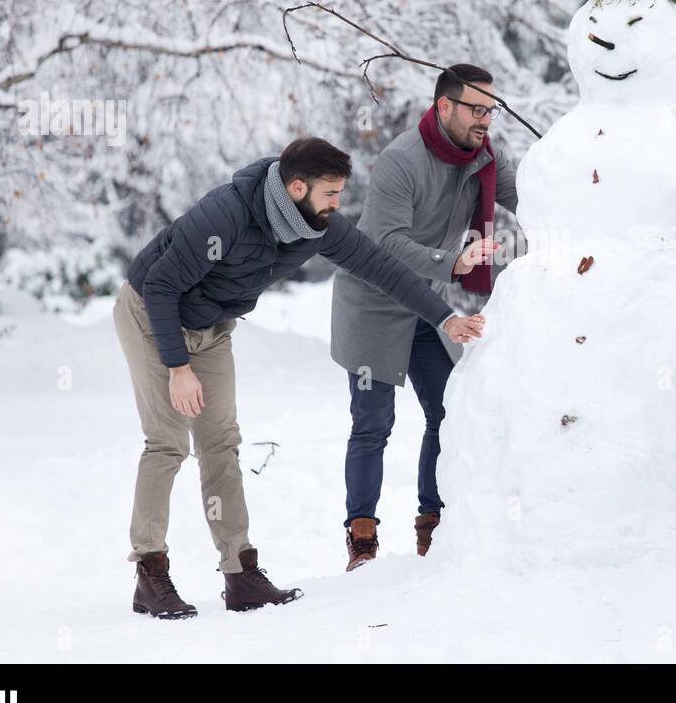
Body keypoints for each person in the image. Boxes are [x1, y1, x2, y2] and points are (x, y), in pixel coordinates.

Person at [116, 137, 485, 618]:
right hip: (151, 314)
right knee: (167, 443)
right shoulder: (226, 215)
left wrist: (443, 318)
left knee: (221, 444)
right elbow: (162, 286)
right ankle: (150, 572)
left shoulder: (317, 227)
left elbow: (382, 268)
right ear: (295, 187)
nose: (337, 203)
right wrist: (178, 369)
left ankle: (239, 573)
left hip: (209, 327)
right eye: (330, 193)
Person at [330, 64, 518, 570]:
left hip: (425, 304)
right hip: (372, 302)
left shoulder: (485, 159)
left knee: (447, 410)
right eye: (476, 109)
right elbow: (384, 244)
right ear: (445, 107)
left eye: (491, 109)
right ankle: (362, 537)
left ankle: (432, 525)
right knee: (373, 422)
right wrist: (452, 262)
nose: (486, 119)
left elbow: (532, 197)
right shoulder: (401, 161)